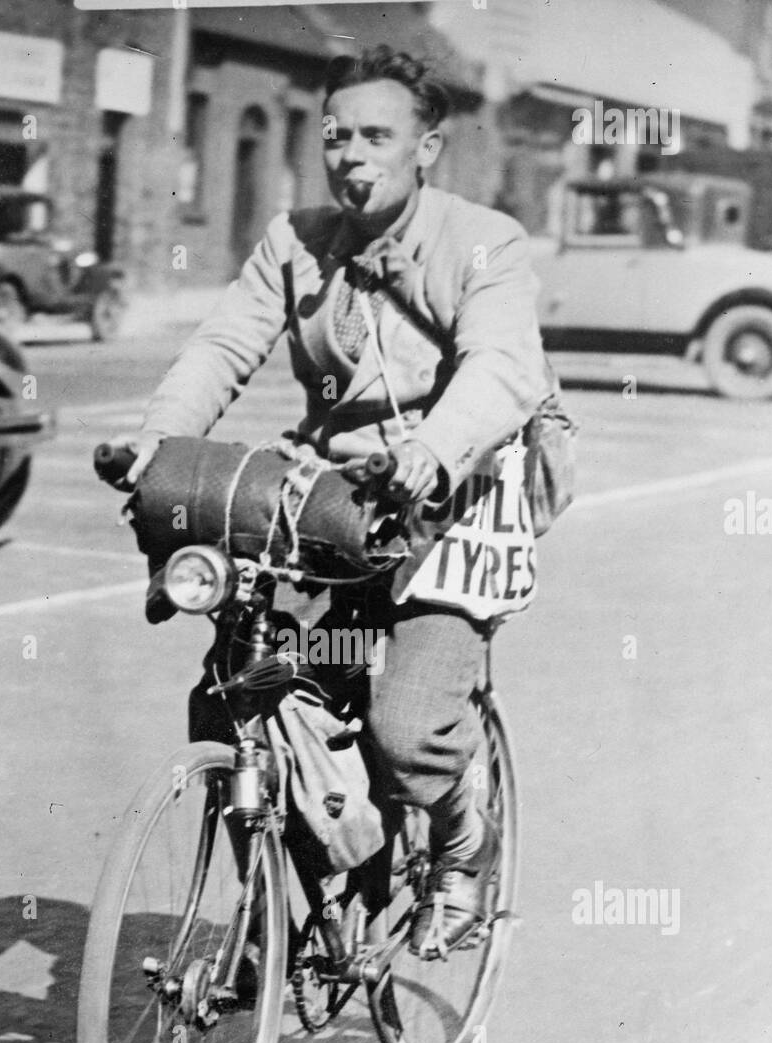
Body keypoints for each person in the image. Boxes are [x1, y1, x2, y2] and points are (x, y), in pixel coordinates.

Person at [110, 46, 549, 957]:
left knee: (407, 728)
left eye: (376, 137)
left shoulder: (485, 241)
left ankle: (463, 839)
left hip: (446, 503)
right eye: (336, 136)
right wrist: (159, 440)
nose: (350, 155)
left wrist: (429, 452)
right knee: (237, 695)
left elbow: (501, 368)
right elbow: (222, 347)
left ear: (426, 148)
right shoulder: (296, 240)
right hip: (330, 503)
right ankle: (279, 910)